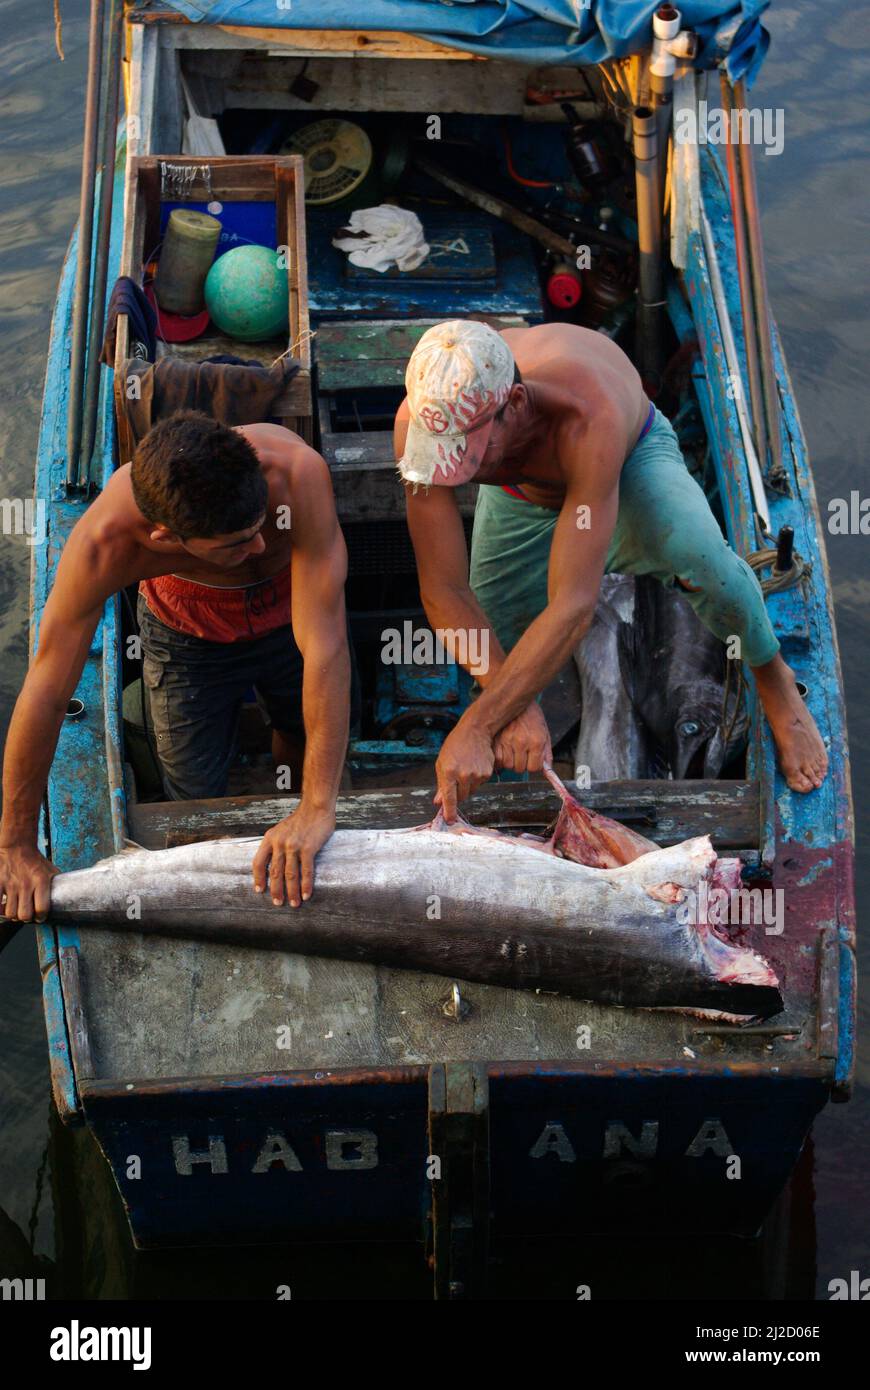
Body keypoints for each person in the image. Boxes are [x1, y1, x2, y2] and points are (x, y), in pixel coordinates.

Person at [394, 319, 827, 820]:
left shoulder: (585, 413)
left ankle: (772, 676)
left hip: (622, 460)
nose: (450, 467)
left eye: (467, 451)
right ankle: (515, 757)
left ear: (514, 403)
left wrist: (474, 727)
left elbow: (573, 604)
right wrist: (502, 702)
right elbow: (443, 588)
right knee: (491, 644)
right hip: (518, 493)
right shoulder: (421, 425)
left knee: (705, 562)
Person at [0, 410, 350, 922]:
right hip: (185, 631)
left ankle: (294, 811)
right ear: (165, 538)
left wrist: (317, 807)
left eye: (260, 529)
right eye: (236, 544)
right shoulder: (105, 544)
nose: (257, 546)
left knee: (298, 729)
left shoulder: (297, 473)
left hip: (289, 610)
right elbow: (48, 689)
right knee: (192, 787)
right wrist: (15, 845)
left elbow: (326, 648)